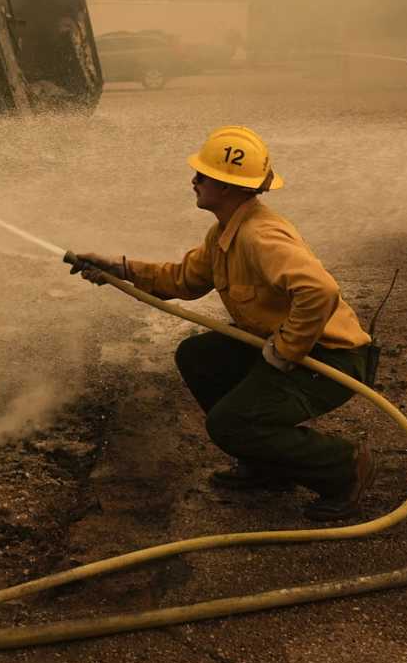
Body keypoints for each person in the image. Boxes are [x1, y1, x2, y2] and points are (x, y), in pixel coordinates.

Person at [62, 126, 376, 521]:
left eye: (203, 175)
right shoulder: (225, 232)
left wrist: (285, 351)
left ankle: (343, 468)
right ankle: (268, 465)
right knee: (199, 355)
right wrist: (119, 268)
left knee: (229, 425)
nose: (193, 180)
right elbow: (182, 280)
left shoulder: (260, 236)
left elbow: (320, 291)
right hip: (296, 350)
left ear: (228, 186)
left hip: (331, 361)